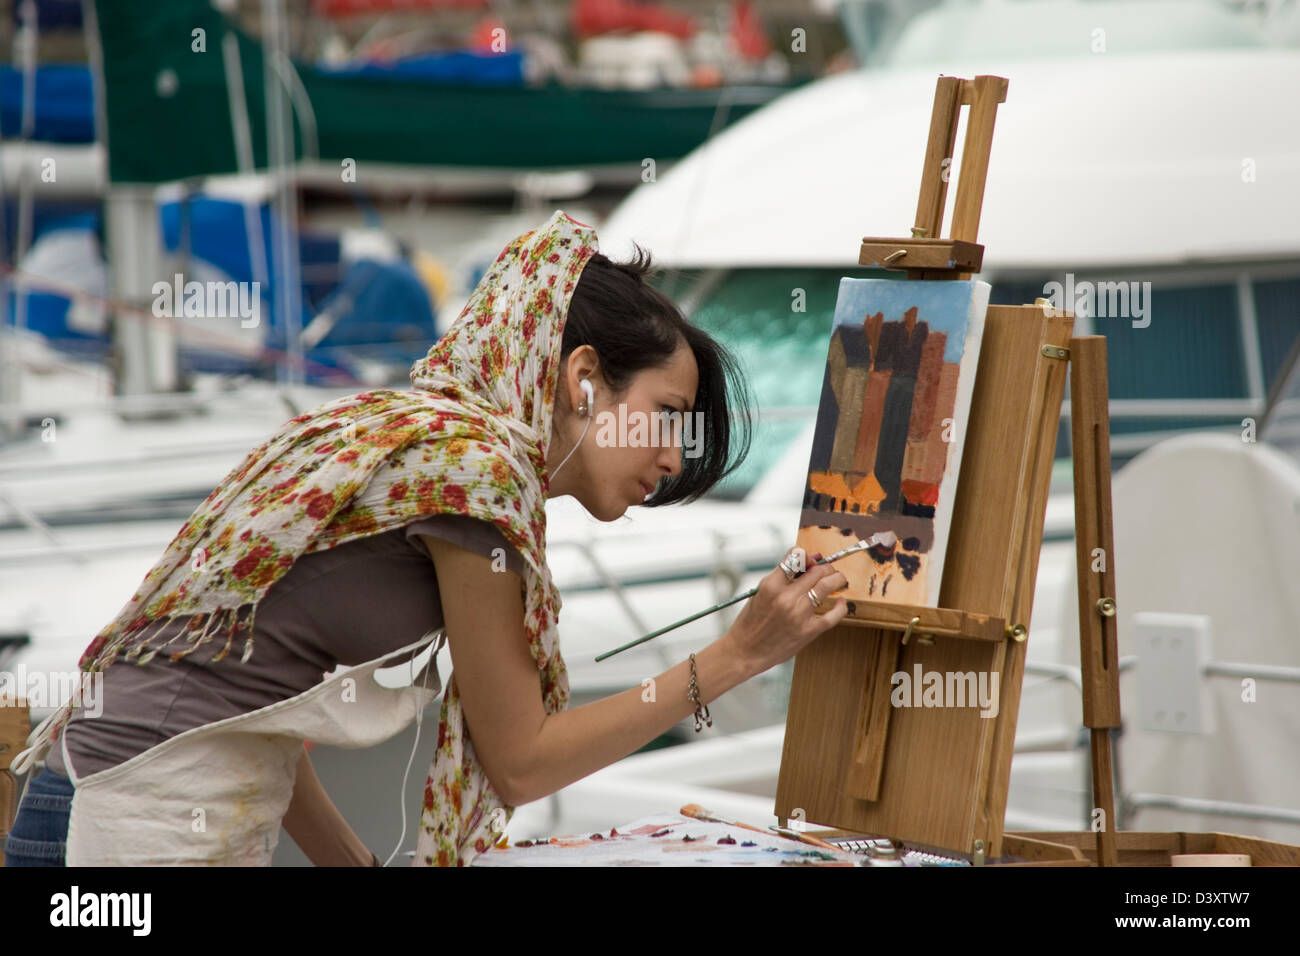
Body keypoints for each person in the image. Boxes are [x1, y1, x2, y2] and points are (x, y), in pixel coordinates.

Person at [4, 210, 848, 867]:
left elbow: (247, 684)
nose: (673, 457)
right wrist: (737, 657)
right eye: (666, 418)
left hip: (95, 795)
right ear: (584, 379)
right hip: (126, 818)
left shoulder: (417, 436)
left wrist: (351, 862)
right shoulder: (474, 477)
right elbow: (520, 763)